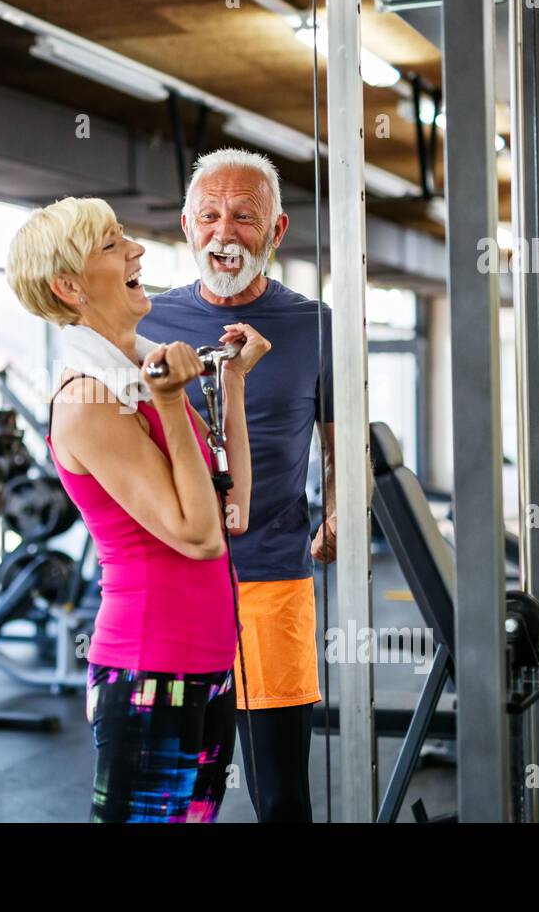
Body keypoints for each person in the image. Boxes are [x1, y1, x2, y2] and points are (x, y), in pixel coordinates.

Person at [5, 195, 270, 822]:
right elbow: (197, 536)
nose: (137, 250)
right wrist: (173, 404)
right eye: (111, 246)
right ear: (70, 287)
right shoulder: (90, 400)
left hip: (207, 662)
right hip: (151, 669)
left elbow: (233, 511)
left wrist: (231, 386)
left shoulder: (136, 372)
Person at [140, 148, 334, 823]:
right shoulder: (146, 323)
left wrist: (339, 507)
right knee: (178, 792)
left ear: (277, 231)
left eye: (245, 218)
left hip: (272, 580)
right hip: (174, 582)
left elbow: (343, 441)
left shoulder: (315, 324)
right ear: (188, 226)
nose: (225, 233)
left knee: (280, 795)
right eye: (210, 216)